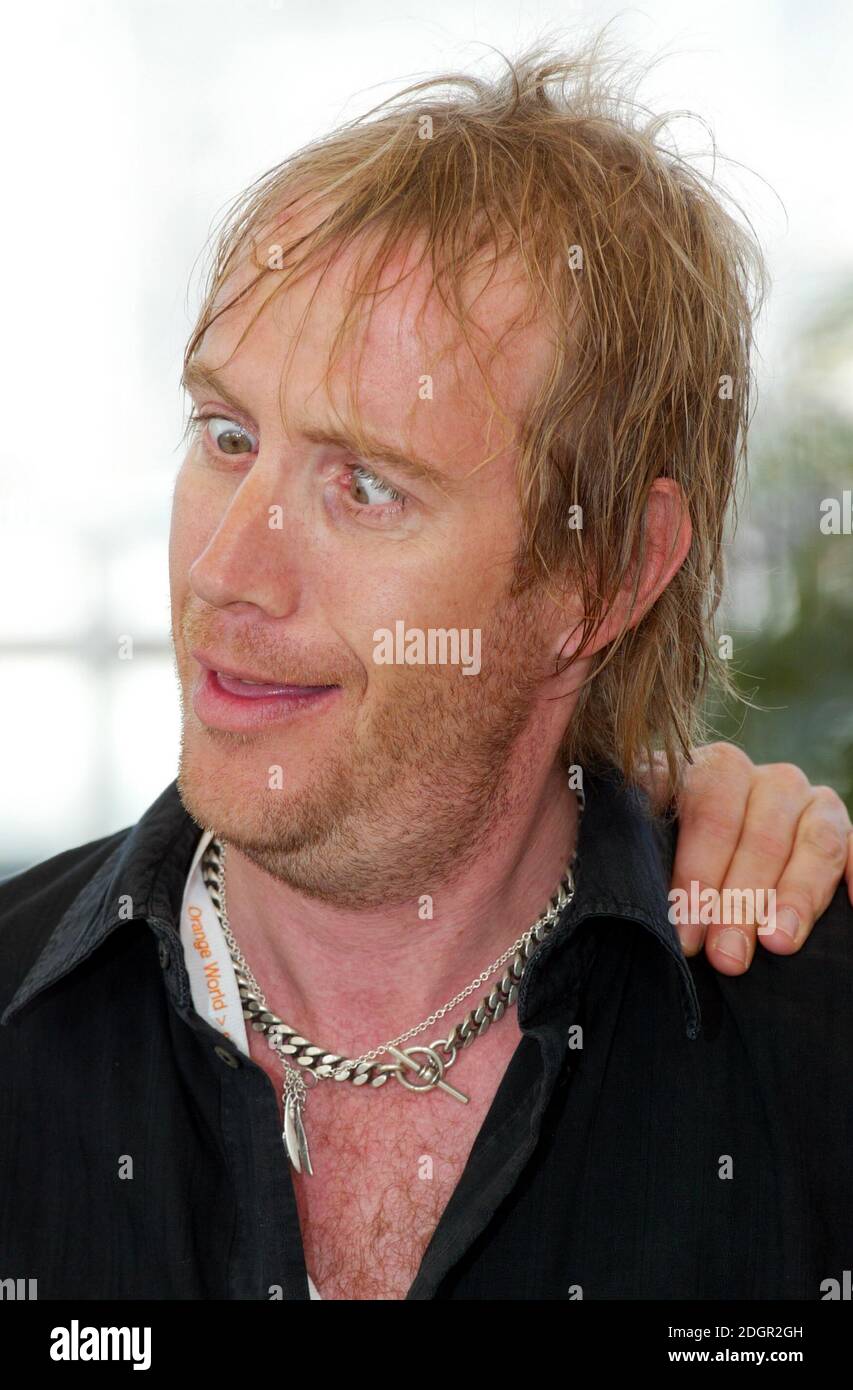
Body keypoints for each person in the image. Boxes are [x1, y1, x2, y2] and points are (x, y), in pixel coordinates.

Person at [1, 37, 852, 1303]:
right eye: (227, 436)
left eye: (365, 485)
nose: (230, 569)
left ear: (605, 574)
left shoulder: (816, 1075)